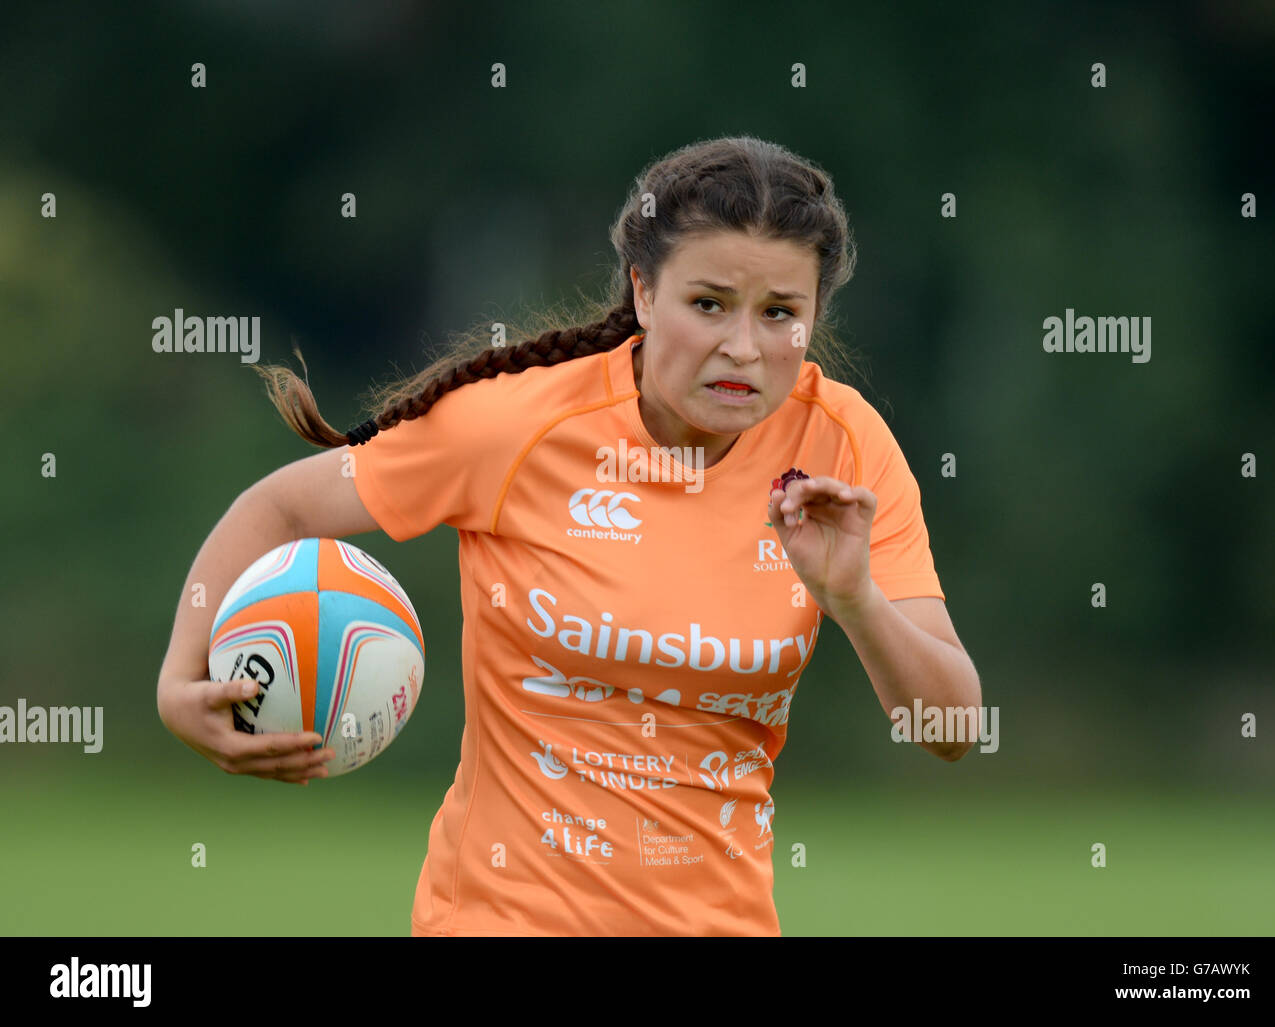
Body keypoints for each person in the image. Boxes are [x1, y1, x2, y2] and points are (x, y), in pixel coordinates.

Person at [156, 135, 981, 936]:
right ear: (645, 293)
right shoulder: (518, 424)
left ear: (814, 317)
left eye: (779, 314)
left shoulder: (844, 446)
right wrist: (180, 676)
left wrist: (856, 598)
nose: (742, 346)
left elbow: (951, 730)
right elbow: (283, 509)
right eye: (708, 304)